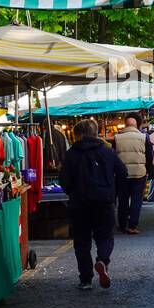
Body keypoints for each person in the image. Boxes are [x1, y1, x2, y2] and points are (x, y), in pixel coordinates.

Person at [60, 119, 128, 291]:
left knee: (82, 242)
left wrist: (72, 192)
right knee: (105, 236)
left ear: (80, 135)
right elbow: (122, 172)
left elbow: (64, 180)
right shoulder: (107, 151)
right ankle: (102, 260)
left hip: (79, 203)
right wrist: (113, 191)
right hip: (104, 201)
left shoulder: (71, 153)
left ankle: (86, 279)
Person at [112, 115, 154, 234]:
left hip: (122, 174)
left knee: (123, 200)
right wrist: (147, 168)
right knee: (136, 200)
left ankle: (122, 224)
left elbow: (113, 156)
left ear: (125, 124)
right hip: (139, 173)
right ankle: (132, 226)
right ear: (137, 125)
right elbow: (150, 155)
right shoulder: (144, 137)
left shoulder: (117, 138)